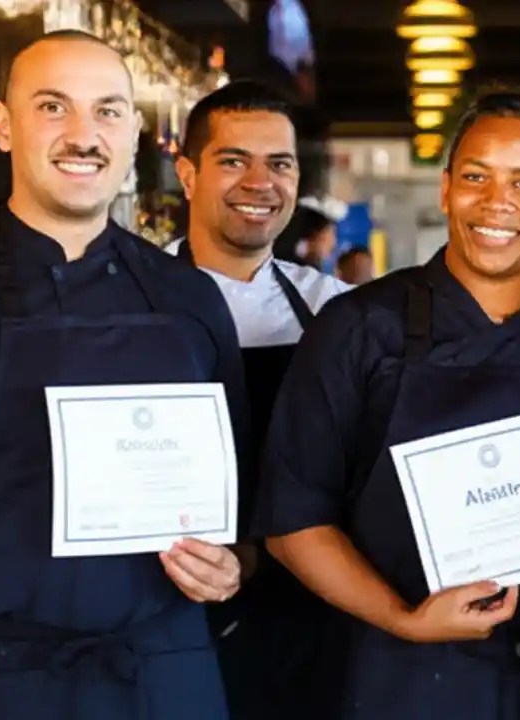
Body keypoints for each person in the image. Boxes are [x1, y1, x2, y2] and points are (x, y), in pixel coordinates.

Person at [254, 86, 520, 719]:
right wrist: (403, 617)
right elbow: (292, 524)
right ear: (446, 188)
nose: (498, 202)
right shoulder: (359, 329)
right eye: (476, 176)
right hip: (399, 676)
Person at [0, 31, 250, 719]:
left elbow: (241, 487)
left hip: (163, 664)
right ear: (2, 126)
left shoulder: (188, 297)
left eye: (107, 111)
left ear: (133, 132)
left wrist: (235, 562)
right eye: (53, 107)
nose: (84, 135)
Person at [168, 79, 349, 719]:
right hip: (173, 606)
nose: (260, 182)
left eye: (279, 164)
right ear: (186, 174)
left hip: (309, 611)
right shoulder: (132, 303)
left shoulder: (335, 310)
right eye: (233, 160)